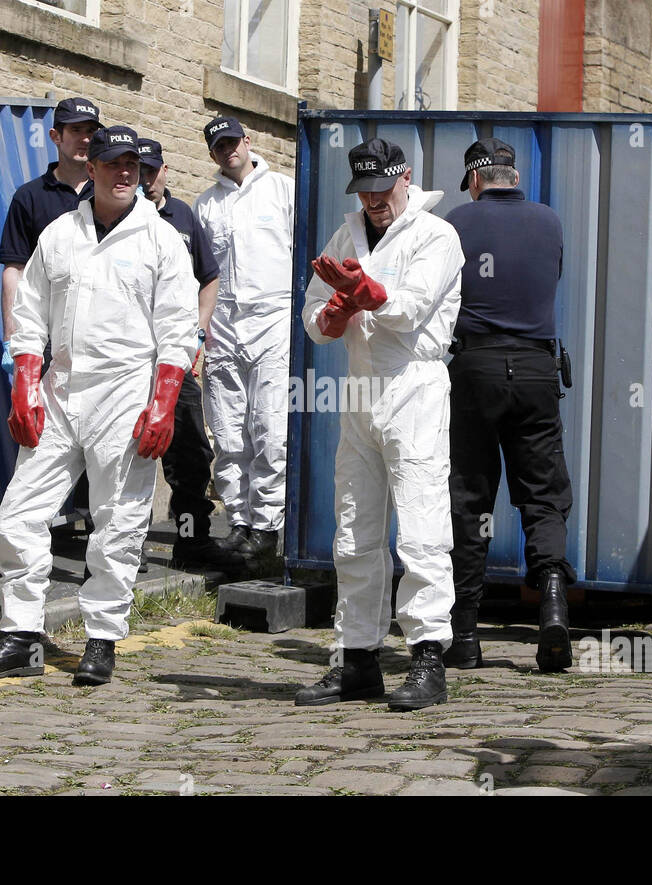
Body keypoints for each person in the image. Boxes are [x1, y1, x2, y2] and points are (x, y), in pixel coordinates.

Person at [0, 126, 199, 686]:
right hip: (62, 387)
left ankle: (102, 637)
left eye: (134, 165)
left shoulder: (161, 240)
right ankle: (20, 633)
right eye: (113, 163)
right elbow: (30, 313)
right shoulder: (59, 234)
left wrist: (163, 401)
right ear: (89, 166)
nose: (125, 174)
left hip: (125, 389)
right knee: (19, 514)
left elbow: (179, 327)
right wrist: (24, 379)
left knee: (117, 520)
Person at [296, 138, 464, 711]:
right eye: (363, 190)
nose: (372, 199)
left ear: (406, 178)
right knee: (354, 529)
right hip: (361, 389)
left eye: (381, 187)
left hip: (414, 386)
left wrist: (362, 294)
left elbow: (412, 308)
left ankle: (427, 658)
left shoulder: (437, 236)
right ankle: (357, 658)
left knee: (420, 525)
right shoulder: (347, 235)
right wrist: (333, 312)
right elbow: (313, 319)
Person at [443, 137, 576, 672]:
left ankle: (466, 635)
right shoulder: (550, 222)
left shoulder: (456, 222)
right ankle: (552, 607)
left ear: (476, 180)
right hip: (537, 370)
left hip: (474, 370)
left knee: (471, 497)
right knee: (542, 496)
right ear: (513, 176)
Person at [194, 117, 294, 563]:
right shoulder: (206, 205)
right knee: (228, 429)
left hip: (273, 317)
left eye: (233, 142)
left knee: (270, 427)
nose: (228, 151)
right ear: (212, 153)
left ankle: (268, 523)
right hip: (224, 323)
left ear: (248, 142)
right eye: (219, 146)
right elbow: (199, 271)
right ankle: (239, 520)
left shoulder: (284, 191)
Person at [136, 137, 226, 567]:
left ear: (165, 171)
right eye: (138, 170)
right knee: (119, 455)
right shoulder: (119, 217)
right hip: (130, 359)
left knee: (190, 453)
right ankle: (117, 549)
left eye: (152, 170)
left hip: (176, 358)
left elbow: (209, 277)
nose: (145, 179)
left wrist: (200, 332)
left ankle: (191, 539)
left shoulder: (184, 216)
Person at [0, 97, 101, 372]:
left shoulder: (107, 195)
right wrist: (11, 338)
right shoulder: (29, 197)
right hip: (43, 337)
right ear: (55, 136)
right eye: (76, 131)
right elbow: (15, 269)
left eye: (91, 132)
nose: (86, 140)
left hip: (98, 338)